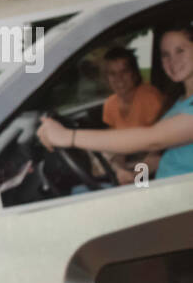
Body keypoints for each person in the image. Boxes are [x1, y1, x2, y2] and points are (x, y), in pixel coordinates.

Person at [38, 24, 193, 184]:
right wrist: (136, 178)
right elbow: (159, 157)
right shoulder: (178, 101)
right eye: (165, 54)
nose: (172, 60)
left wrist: (70, 137)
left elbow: (153, 139)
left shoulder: (155, 98)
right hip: (159, 189)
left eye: (180, 50)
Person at [98, 45, 166, 184]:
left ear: (134, 73)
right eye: (112, 73)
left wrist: (135, 175)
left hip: (154, 161)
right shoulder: (109, 104)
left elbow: (160, 148)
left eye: (125, 71)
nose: (119, 78)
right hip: (130, 161)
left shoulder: (150, 97)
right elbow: (116, 146)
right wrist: (120, 171)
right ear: (106, 77)